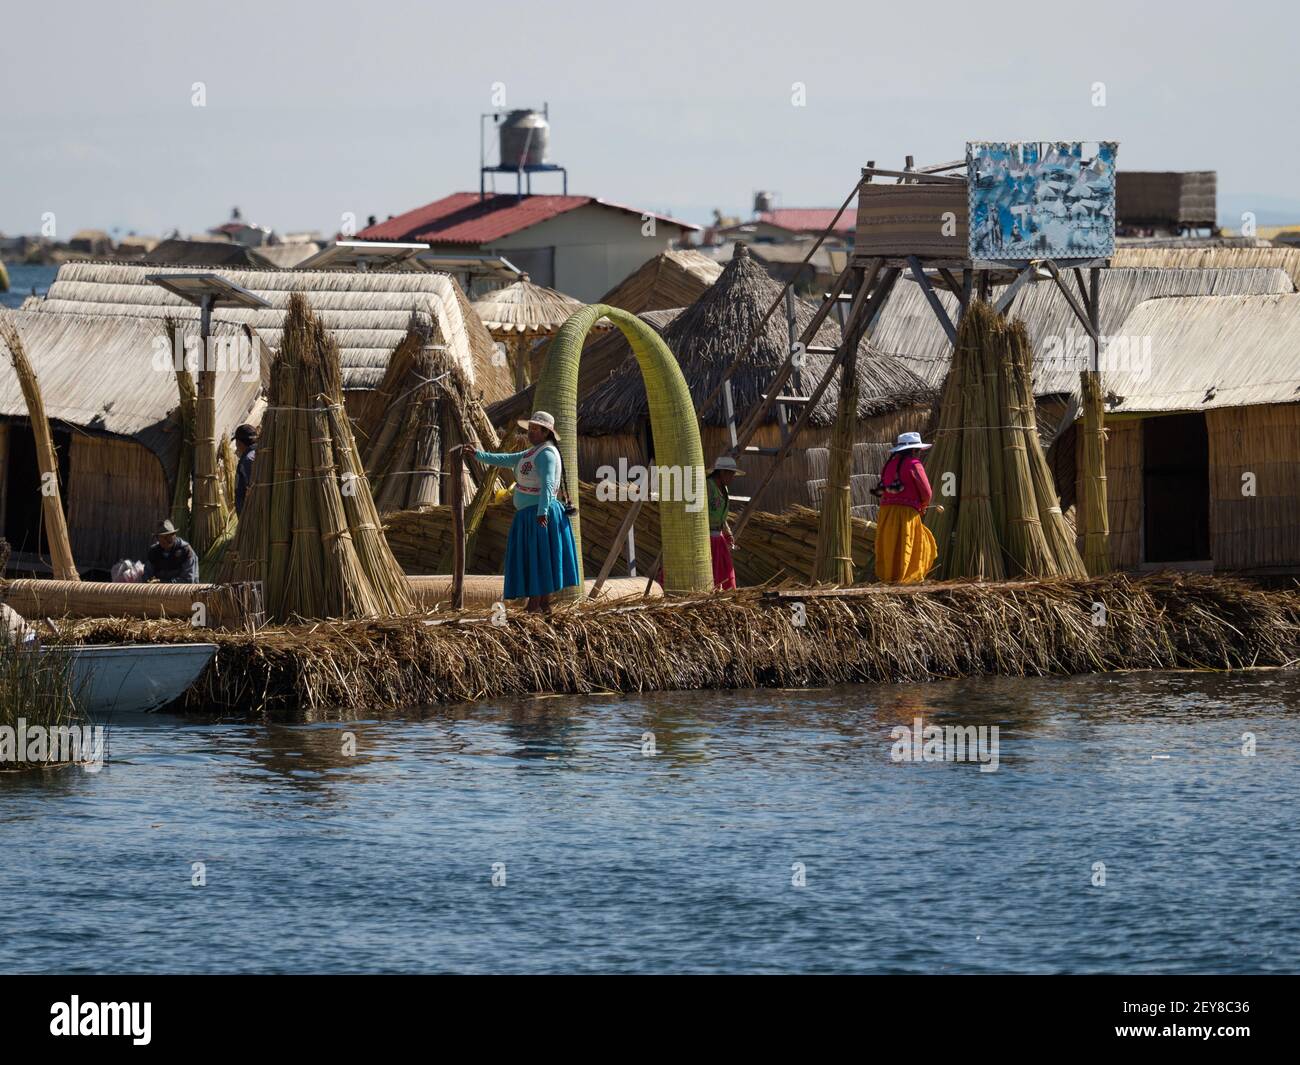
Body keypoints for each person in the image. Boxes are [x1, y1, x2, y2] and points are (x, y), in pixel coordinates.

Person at [469, 411, 579, 614]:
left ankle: (535, 604)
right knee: (537, 556)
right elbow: (505, 459)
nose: (530, 433)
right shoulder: (531, 453)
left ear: (546, 432)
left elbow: (547, 484)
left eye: (535, 429)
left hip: (538, 514)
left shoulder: (546, 454)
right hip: (529, 515)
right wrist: (477, 454)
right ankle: (543, 604)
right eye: (530, 429)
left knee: (537, 557)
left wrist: (542, 511)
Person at [873, 432, 938, 583]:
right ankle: (906, 578)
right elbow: (926, 492)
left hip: (886, 512)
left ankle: (888, 578)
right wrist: (923, 505)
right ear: (914, 450)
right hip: (906, 513)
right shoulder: (914, 464)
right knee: (908, 545)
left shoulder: (888, 465)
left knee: (890, 544)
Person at [706, 456, 742, 590]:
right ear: (722, 472)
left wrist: (727, 533)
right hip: (706, 538)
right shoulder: (708, 486)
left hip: (718, 537)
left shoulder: (724, 489)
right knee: (711, 572)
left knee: (725, 571)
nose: (732, 478)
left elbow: (722, 515)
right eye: (731, 474)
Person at [143, 519, 199, 584]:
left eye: (168, 537)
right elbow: (147, 575)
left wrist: (162, 582)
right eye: (162, 538)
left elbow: (188, 580)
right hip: (158, 591)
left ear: (174, 535)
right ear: (157, 538)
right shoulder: (153, 552)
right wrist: (149, 581)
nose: (165, 541)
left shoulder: (186, 550)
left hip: (183, 591)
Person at [233, 423, 258, 516]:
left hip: (250, 514)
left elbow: (250, 489)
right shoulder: (259, 453)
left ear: (239, 443)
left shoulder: (247, 460)